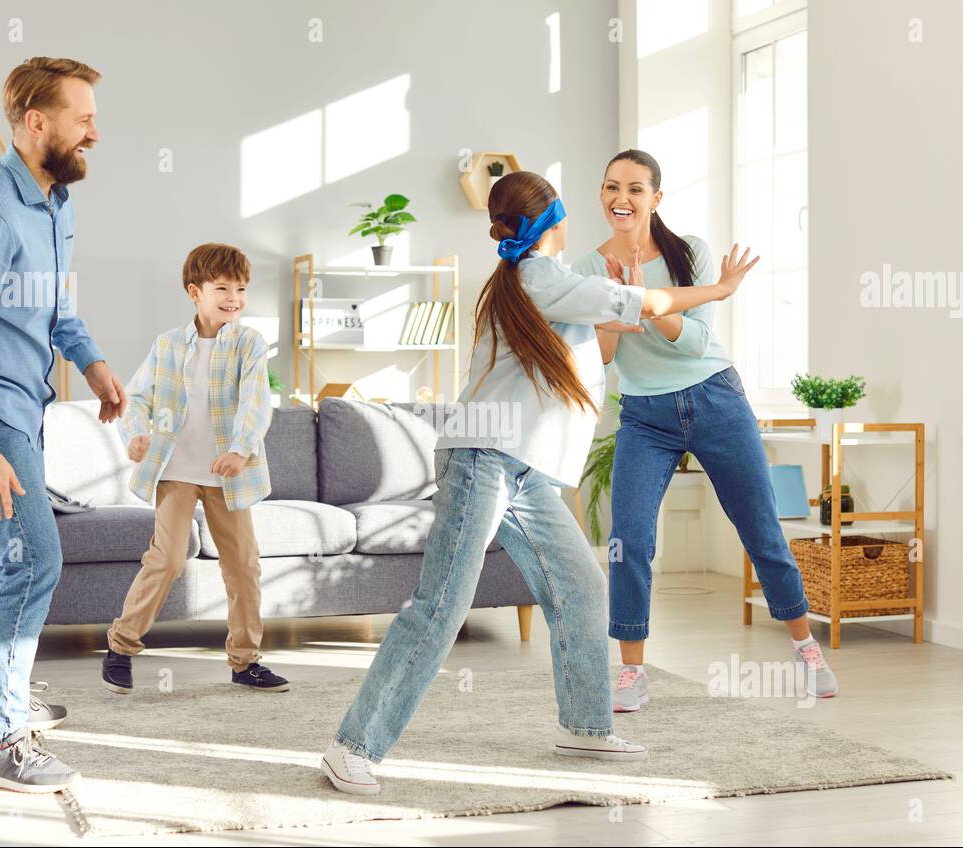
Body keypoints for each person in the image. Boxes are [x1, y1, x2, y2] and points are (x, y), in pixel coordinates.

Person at [321, 170, 759, 796]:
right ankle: (351, 746)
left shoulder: (543, 284)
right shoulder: (542, 277)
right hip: (483, 459)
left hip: (526, 470)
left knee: (581, 589)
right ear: (554, 219)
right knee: (441, 607)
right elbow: (655, 307)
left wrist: (626, 297)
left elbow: (616, 333)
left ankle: (586, 724)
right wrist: (720, 288)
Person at [0, 57, 127, 793]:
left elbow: (56, 307)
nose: (94, 131)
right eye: (83, 117)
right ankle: (3, 747)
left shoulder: (53, 202)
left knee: (12, 558)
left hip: (20, 401)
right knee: (34, 558)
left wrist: (94, 363)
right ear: (36, 123)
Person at [572, 149, 839, 712]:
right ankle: (633, 672)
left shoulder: (689, 251)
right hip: (645, 414)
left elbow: (693, 341)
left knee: (761, 530)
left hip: (716, 399)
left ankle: (806, 647)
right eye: (611, 186)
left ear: (655, 198)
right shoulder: (589, 269)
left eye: (636, 188)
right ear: (601, 195)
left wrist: (644, 301)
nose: (622, 198)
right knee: (630, 541)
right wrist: (620, 309)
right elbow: (601, 354)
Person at [101, 243, 286, 694]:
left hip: (228, 473)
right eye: (222, 288)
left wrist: (242, 449)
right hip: (176, 470)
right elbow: (138, 396)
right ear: (194, 291)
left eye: (240, 289)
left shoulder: (249, 344)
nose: (233, 298)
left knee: (243, 565)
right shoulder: (167, 345)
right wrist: (137, 434)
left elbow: (256, 402)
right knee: (166, 560)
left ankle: (245, 662)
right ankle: (121, 648)